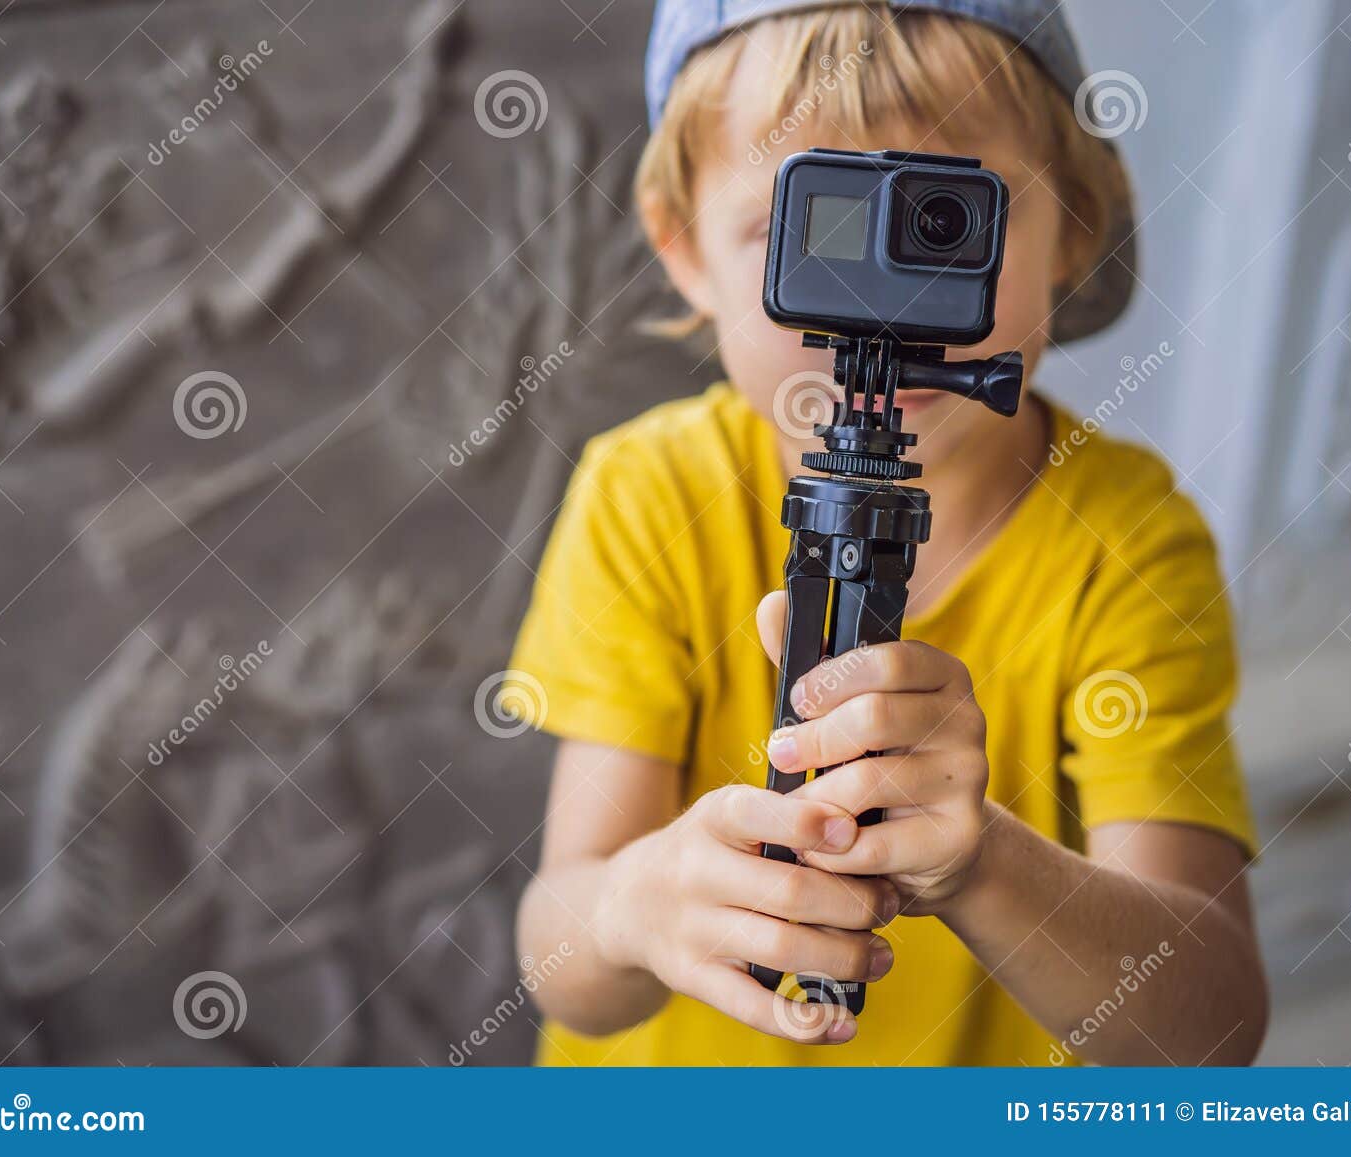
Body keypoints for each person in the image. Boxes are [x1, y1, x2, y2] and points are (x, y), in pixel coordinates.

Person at [509, 0, 1267, 1065]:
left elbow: (1210, 1027)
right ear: (685, 252)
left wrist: (984, 866)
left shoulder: (1125, 540)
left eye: (942, 228)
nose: (886, 311)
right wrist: (637, 903)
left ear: (1072, 234)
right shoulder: (649, 494)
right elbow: (563, 957)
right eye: (809, 235)